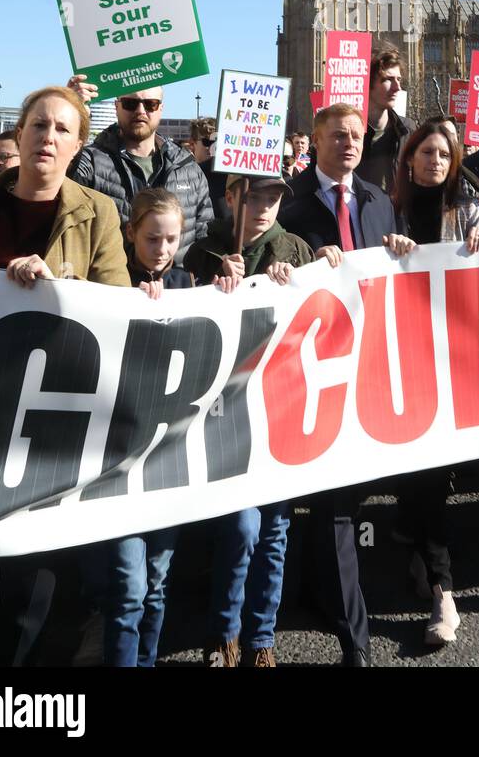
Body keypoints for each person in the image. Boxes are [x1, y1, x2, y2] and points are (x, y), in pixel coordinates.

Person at [0, 85, 130, 666]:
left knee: (30, 602)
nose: (48, 137)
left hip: (48, 436)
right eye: (38, 125)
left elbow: (118, 309)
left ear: (78, 145)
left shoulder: (99, 214)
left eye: (62, 129)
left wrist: (60, 283)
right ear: (18, 134)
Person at [281, 102, 406, 666]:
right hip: (309, 364)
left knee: (345, 492)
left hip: (365, 362)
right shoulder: (288, 201)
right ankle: (353, 633)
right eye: (338, 135)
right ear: (315, 140)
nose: (350, 143)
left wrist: (402, 252)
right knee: (329, 496)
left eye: (356, 135)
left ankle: (321, 587)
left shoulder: (379, 201)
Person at [185, 173, 314, 667]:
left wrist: (315, 268)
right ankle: (224, 635)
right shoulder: (204, 250)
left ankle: (261, 639)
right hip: (224, 412)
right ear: (231, 197)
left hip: (277, 407)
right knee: (241, 528)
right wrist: (213, 284)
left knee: (275, 530)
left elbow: (319, 314)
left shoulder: (295, 249)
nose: (263, 207)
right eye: (253, 196)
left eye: (273, 197)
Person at [391, 120, 479, 645]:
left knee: (431, 470)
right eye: (426, 152)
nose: (435, 161)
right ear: (409, 159)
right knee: (420, 469)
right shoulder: (388, 210)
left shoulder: (469, 213)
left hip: (451, 355)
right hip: (399, 354)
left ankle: (427, 566)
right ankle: (442, 588)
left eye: (444, 154)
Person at [98, 190, 192, 667]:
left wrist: (229, 285)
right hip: (117, 461)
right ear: (130, 232)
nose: (162, 249)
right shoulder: (108, 280)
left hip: (166, 461)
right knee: (130, 589)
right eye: (152, 238)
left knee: (155, 584)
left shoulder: (188, 282)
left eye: (171, 239)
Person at [67, 78, 213, 264]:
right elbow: (58, 185)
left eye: (151, 104)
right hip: (112, 279)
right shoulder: (91, 162)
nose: (140, 111)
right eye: (130, 103)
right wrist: (72, 113)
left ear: (161, 109)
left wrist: (221, 265)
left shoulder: (187, 167)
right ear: (117, 107)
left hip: (177, 281)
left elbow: (205, 239)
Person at [355, 45, 415, 194]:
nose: (397, 87)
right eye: (388, 79)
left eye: (399, 79)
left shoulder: (407, 130)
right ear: (368, 83)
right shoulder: (349, 132)